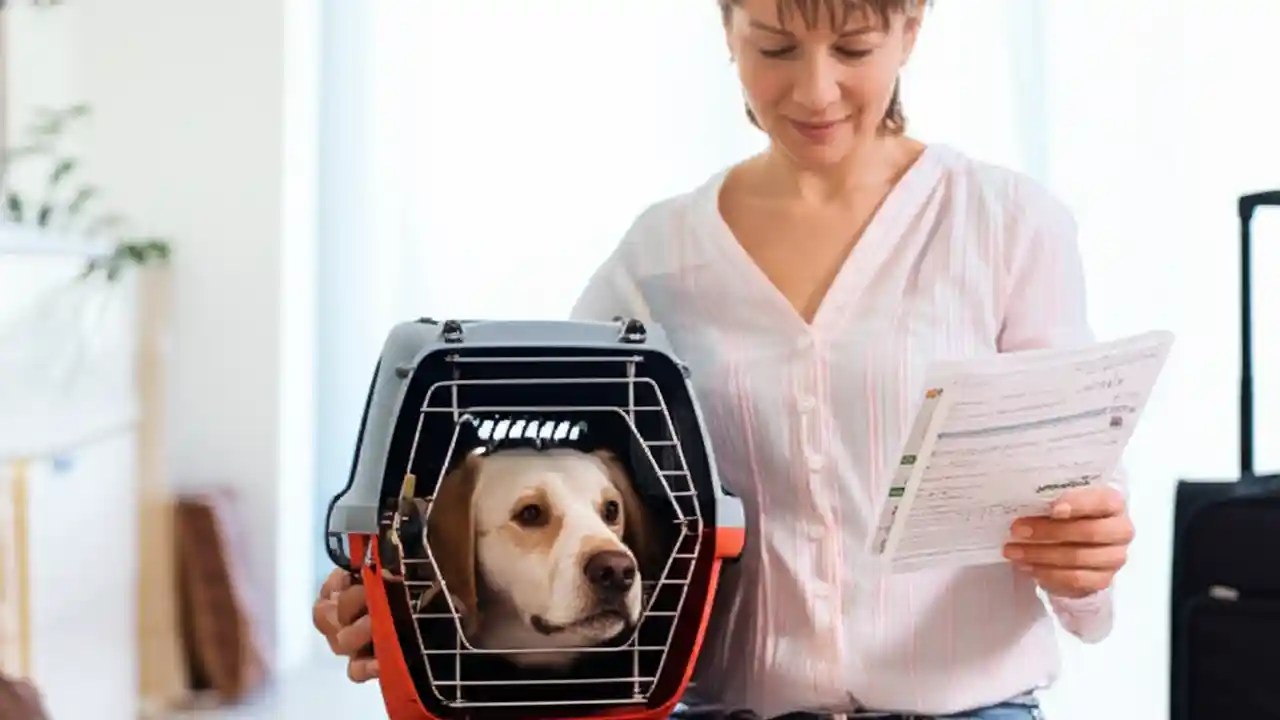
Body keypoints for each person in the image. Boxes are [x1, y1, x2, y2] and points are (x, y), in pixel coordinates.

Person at [313, 0, 1136, 717]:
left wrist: (1088, 551)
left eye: (853, 47)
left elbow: (1078, 497)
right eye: (775, 47)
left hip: (971, 710)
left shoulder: (1008, 225)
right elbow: (528, 468)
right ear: (726, 27)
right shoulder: (657, 257)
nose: (815, 90)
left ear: (911, 26)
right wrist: (393, 595)